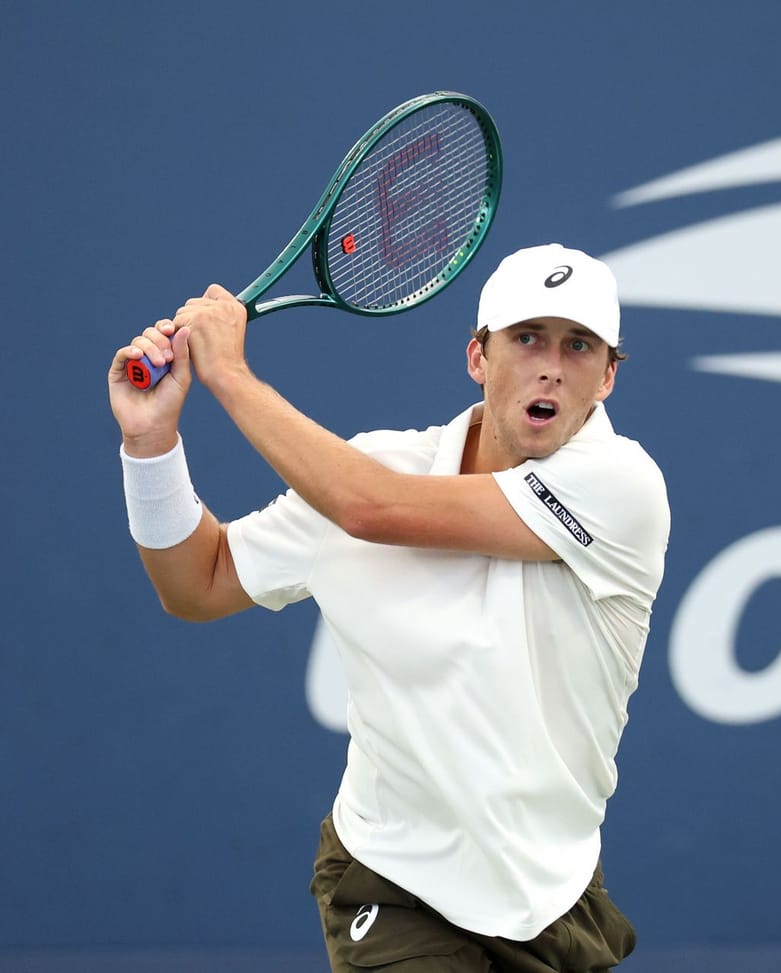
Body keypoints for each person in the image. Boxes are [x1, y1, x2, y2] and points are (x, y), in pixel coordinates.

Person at [107, 243, 671, 972]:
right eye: (527, 338)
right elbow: (199, 581)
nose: (552, 366)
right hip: (392, 883)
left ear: (608, 377)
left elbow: (369, 507)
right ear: (478, 357)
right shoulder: (373, 464)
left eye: (579, 345)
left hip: (552, 893)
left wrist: (230, 375)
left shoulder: (623, 487)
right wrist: (150, 443)